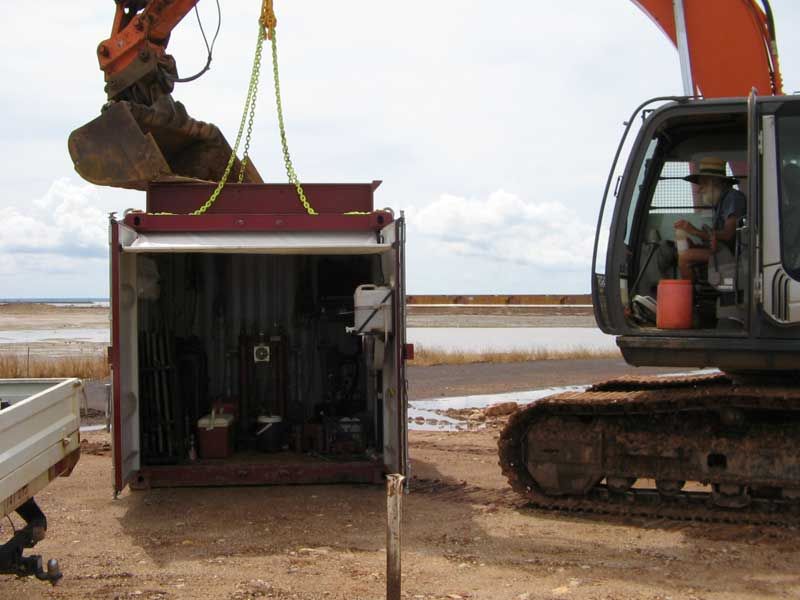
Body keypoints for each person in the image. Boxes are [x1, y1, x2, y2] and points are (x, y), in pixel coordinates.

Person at [673, 156, 746, 280]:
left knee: (685, 257)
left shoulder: (733, 198)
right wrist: (694, 245)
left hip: (733, 255)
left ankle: (691, 291)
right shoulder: (720, 203)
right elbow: (715, 239)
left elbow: (728, 235)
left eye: (703, 184)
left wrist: (694, 231)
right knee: (684, 252)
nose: (699, 190)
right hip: (721, 251)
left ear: (715, 182)